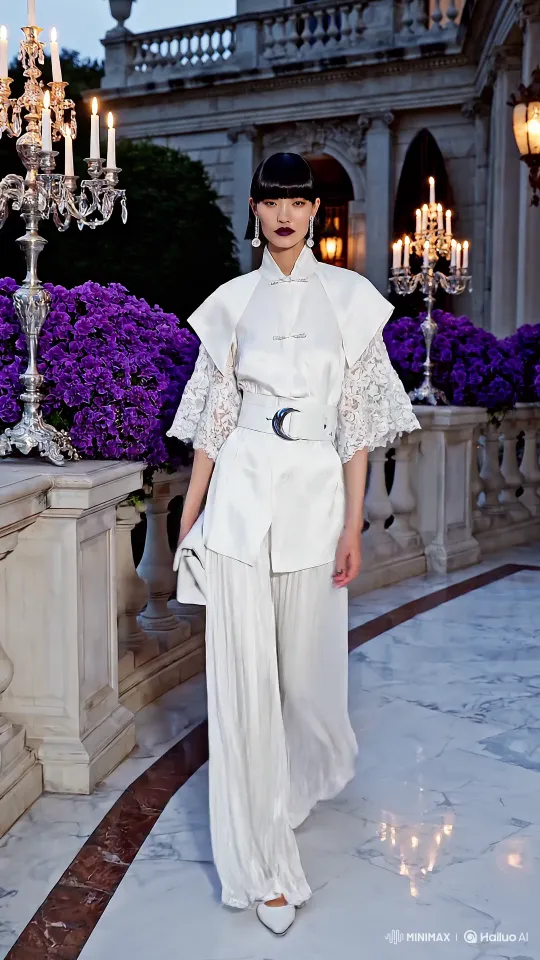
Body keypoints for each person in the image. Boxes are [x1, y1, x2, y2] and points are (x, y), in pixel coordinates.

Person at [166, 152, 421, 935]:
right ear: (255, 208)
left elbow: (358, 430)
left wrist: (352, 525)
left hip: (313, 508)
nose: (283, 214)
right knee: (242, 691)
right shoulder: (231, 304)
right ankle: (264, 866)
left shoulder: (350, 301)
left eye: (297, 202)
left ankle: (297, 782)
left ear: (314, 212)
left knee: (307, 688)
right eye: (271, 201)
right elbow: (212, 419)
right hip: (241, 501)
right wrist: (190, 517)